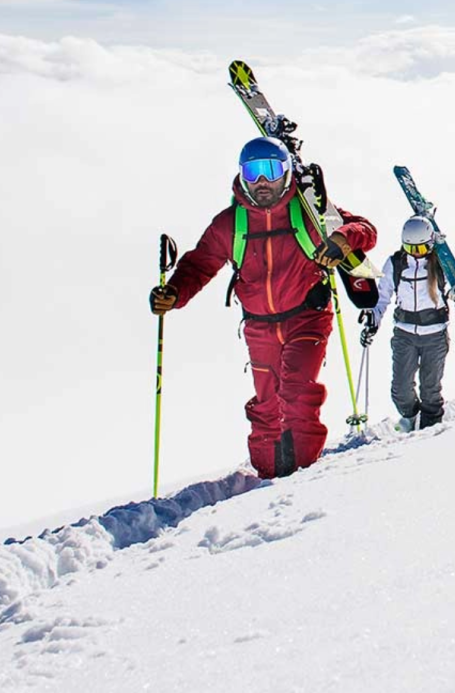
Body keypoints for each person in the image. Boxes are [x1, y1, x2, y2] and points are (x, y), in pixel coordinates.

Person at [149, 137, 378, 479]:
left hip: (307, 316)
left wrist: (343, 239)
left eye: (269, 170)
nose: (261, 181)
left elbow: (366, 230)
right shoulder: (231, 223)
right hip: (258, 325)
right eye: (251, 172)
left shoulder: (309, 212)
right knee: (267, 405)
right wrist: (175, 294)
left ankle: (306, 476)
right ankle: (268, 477)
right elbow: (200, 263)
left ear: (285, 172)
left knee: (297, 393)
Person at [366, 216, 455, 432]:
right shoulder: (395, 264)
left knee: (430, 390)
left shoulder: (441, 261)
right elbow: (382, 297)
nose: (414, 253)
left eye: (420, 249)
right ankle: (410, 417)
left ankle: (428, 435)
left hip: (435, 335)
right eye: (410, 247)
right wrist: (373, 320)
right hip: (404, 334)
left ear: (429, 244)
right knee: (400, 391)